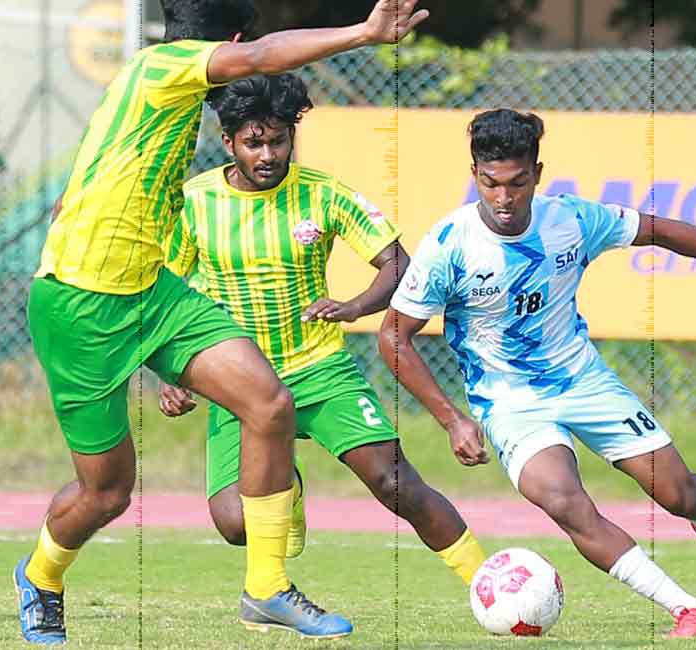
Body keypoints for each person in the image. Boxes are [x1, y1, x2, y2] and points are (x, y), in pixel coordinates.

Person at [14, 0, 429, 644]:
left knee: (268, 404)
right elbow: (262, 59)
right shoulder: (165, 67)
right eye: (243, 52)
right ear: (229, 45)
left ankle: (266, 588)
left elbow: (91, 182)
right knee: (107, 493)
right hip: (81, 305)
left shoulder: (159, 95)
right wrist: (365, 33)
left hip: (152, 290)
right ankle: (41, 577)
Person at [380, 109, 696, 638]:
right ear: (475, 174)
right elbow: (393, 336)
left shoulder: (570, 220)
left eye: (517, 183)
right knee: (562, 499)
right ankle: (690, 610)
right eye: (489, 184)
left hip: (584, 381)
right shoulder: (449, 245)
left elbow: (660, 230)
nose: (503, 199)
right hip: (509, 403)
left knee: (679, 493)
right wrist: (452, 419)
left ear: (538, 172)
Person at [158, 74, 487, 620]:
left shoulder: (323, 193)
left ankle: (489, 581)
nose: (268, 154)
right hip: (236, 382)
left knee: (394, 481)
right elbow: (164, 295)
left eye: (279, 140)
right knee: (236, 523)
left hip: (319, 368)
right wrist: (170, 373)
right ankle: (285, 489)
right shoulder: (194, 204)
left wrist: (356, 306)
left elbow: (396, 264)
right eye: (254, 142)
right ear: (228, 141)